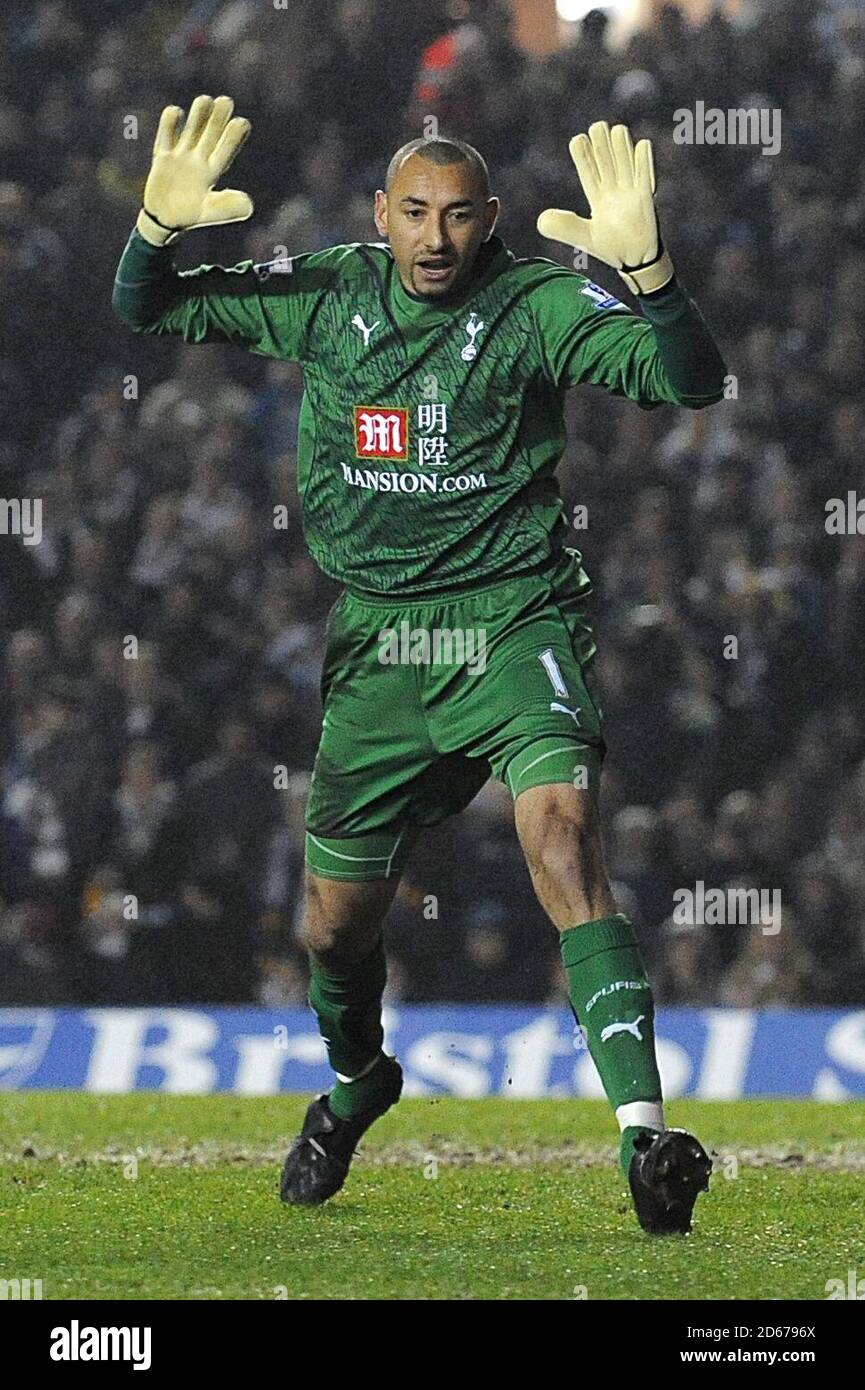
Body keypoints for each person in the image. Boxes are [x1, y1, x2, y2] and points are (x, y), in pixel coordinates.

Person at [113, 95, 727, 1234]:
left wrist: (652, 277)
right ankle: (357, 1084)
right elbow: (142, 309)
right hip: (384, 643)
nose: (435, 236)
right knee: (334, 930)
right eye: (413, 213)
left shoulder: (535, 302)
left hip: (513, 620)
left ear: (490, 219)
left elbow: (688, 380)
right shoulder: (329, 290)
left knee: (560, 836)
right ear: (378, 217)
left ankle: (646, 1136)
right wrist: (153, 230)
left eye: (456, 215)